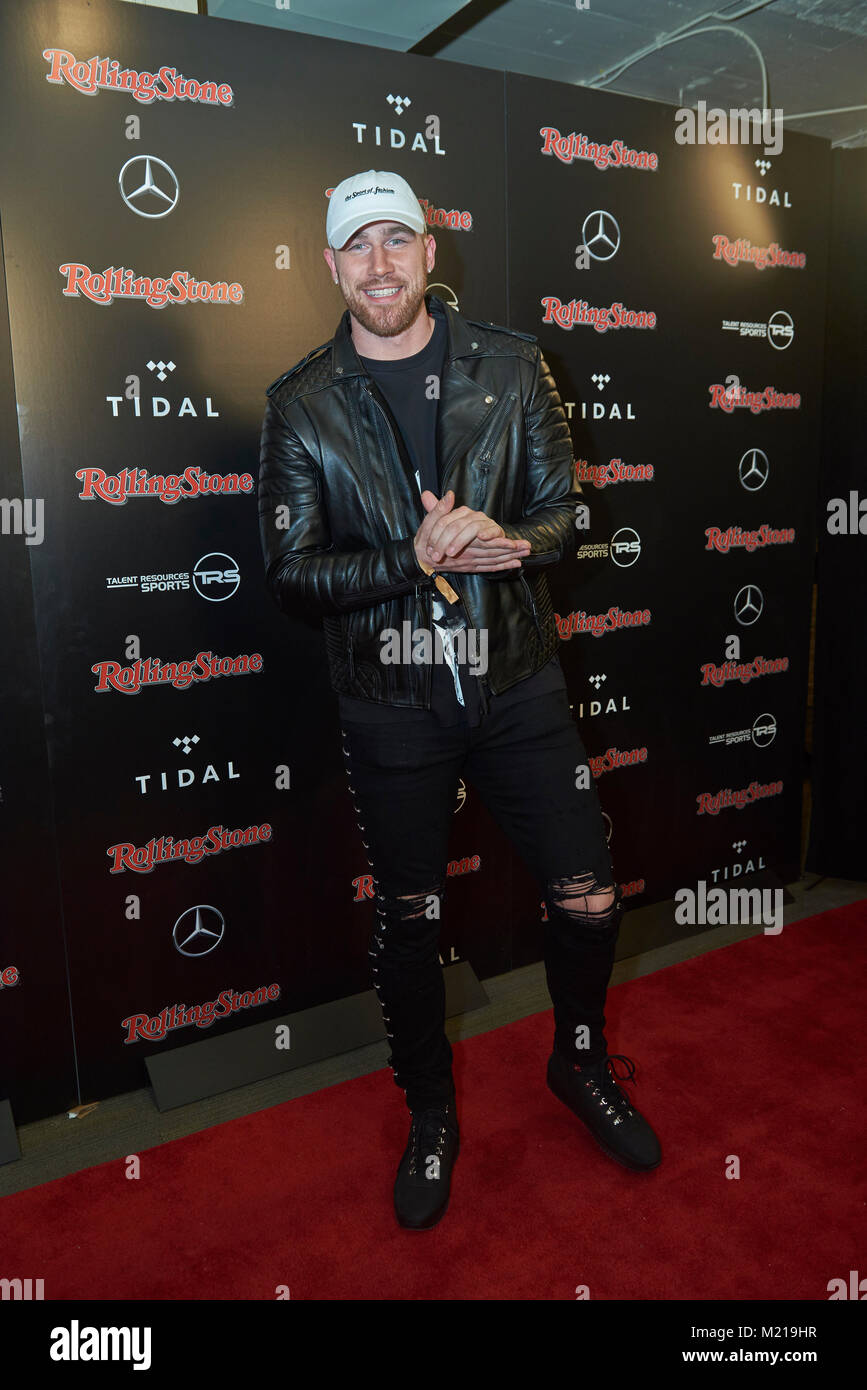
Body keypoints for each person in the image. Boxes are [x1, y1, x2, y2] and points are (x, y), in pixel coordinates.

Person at [258, 168, 661, 1231]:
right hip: (390, 699)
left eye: (398, 240)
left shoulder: (515, 365)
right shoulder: (300, 403)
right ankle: (430, 1110)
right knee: (409, 922)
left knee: (589, 896)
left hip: (520, 678)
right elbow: (294, 574)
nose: (380, 263)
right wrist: (412, 554)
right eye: (359, 246)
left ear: (431, 253)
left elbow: (566, 516)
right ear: (331, 263)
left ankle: (578, 1061)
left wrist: (507, 542)